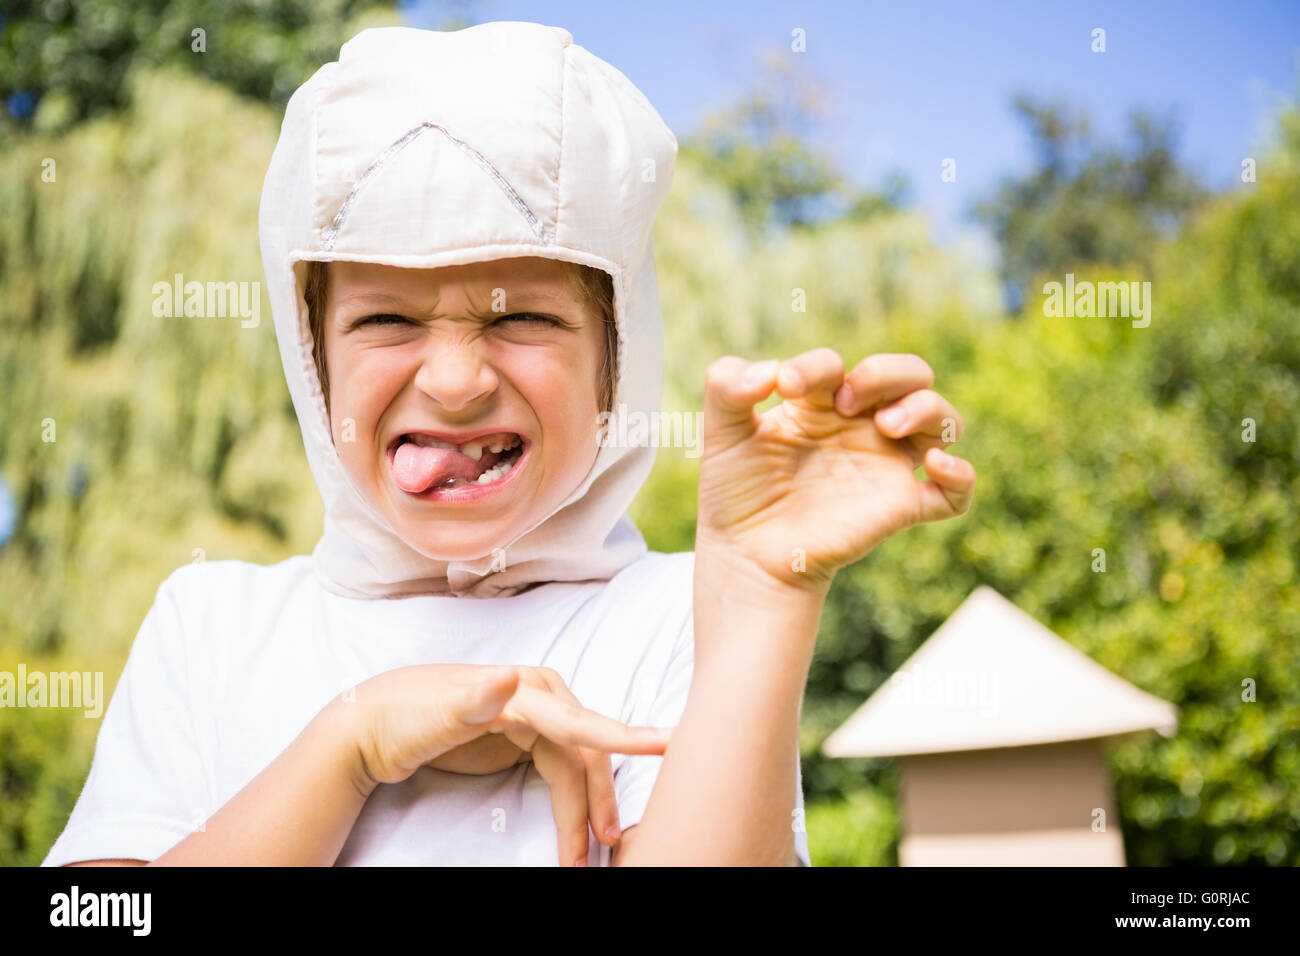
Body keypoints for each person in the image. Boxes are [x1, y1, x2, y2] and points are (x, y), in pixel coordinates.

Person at [41, 21, 973, 867]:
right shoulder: (211, 626)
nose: (455, 381)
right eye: (387, 319)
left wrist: (764, 593)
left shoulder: (686, 616)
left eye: (523, 315)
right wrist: (355, 742)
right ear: (311, 357)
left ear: (620, 355)